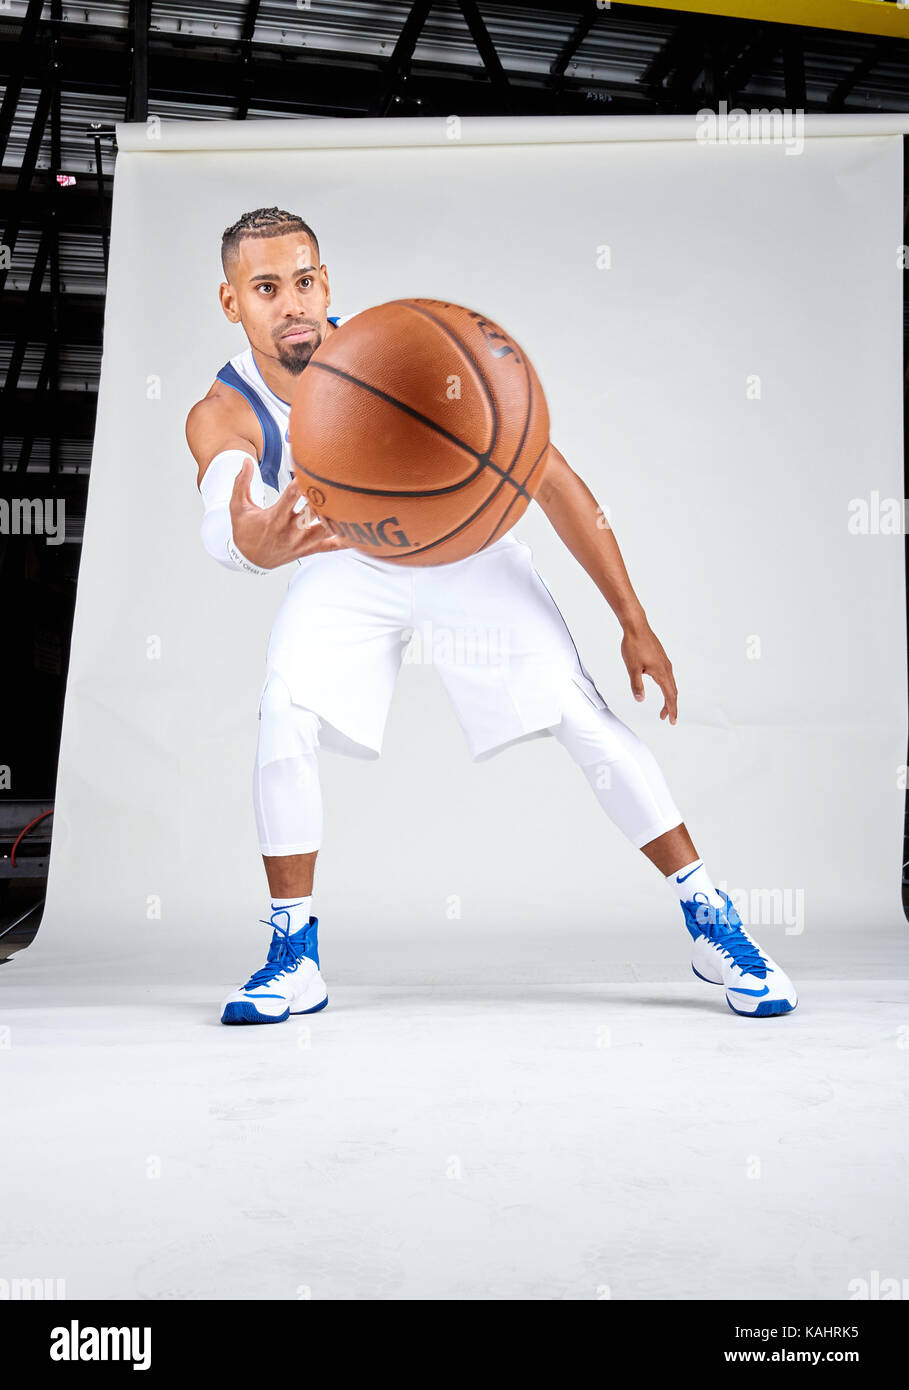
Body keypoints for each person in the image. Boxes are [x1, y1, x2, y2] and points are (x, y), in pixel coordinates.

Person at [185, 207, 798, 1025]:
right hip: (341, 562)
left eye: (304, 280)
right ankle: (292, 955)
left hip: (462, 551)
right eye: (266, 288)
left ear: (326, 281)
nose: (291, 303)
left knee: (581, 714)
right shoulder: (224, 408)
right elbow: (230, 519)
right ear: (232, 302)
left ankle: (710, 919)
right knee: (284, 709)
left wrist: (632, 619)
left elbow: (554, 481)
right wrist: (259, 540)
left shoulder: (406, 350)